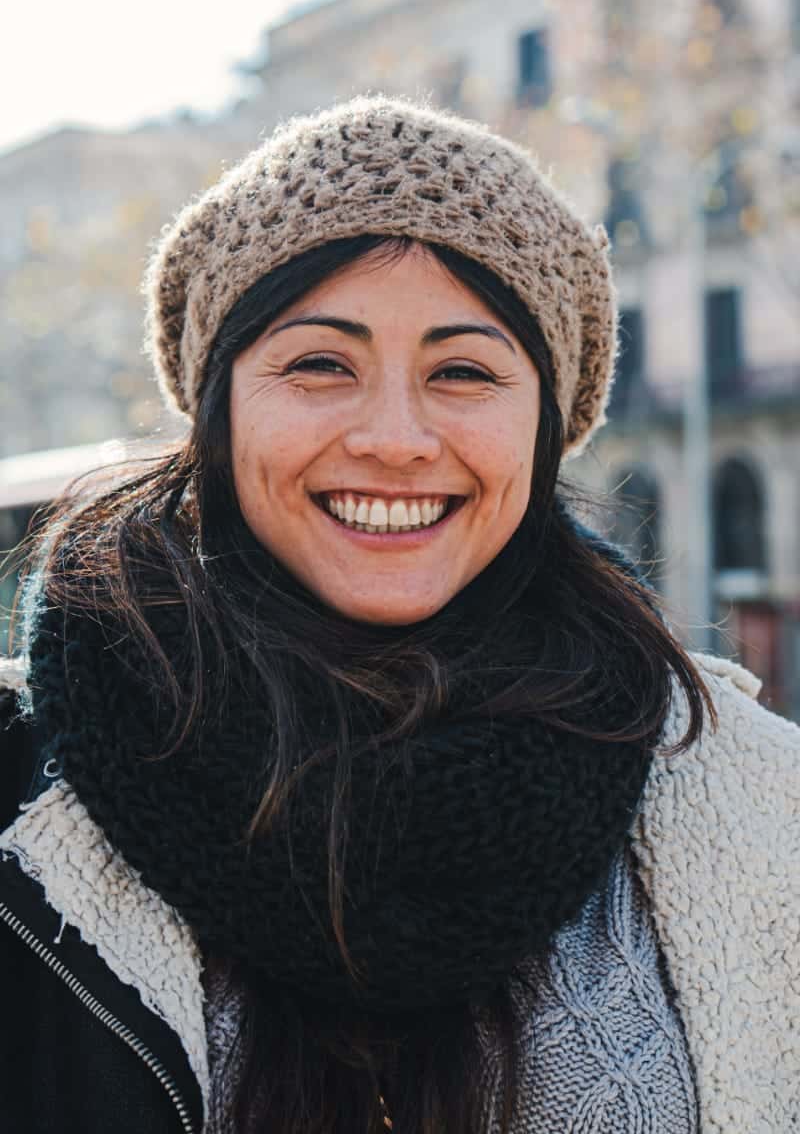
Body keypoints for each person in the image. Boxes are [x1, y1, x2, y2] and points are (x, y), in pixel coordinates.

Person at [0, 96, 796, 1134]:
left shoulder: (757, 803)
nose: (393, 437)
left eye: (462, 372)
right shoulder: (22, 793)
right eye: (319, 363)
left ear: (546, 428)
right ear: (217, 406)